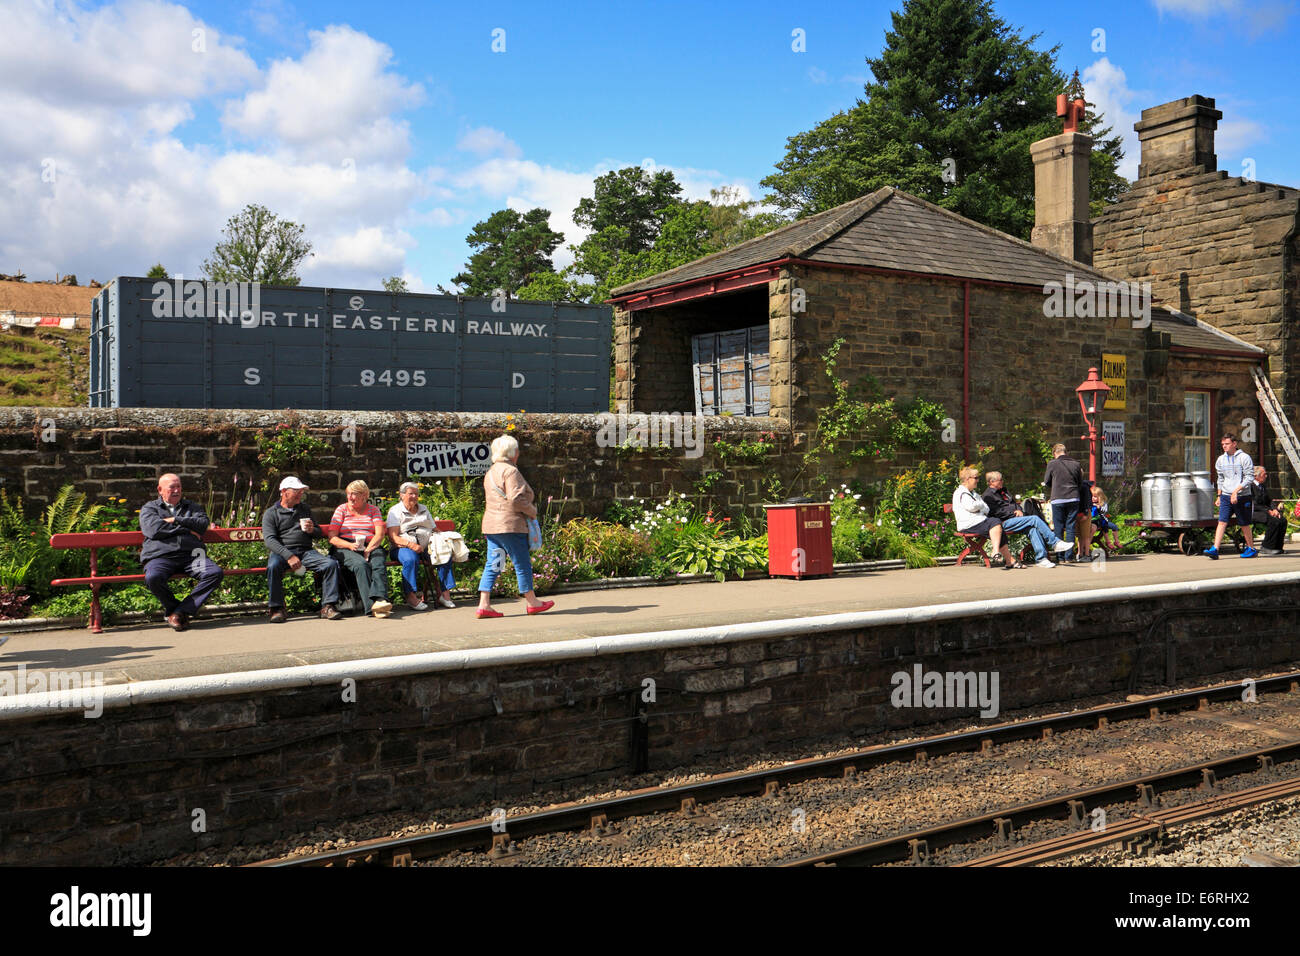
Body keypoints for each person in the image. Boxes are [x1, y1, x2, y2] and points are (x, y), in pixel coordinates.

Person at [477, 434, 554, 617]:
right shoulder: (511, 471)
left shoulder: (491, 472)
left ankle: (484, 604)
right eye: (517, 450)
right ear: (512, 453)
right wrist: (532, 511)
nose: (519, 453)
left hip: (492, 526)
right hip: (510, 525)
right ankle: (532, 602)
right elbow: (516, 499)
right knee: (522, 563)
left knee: (493, 564)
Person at [139, 473, 225, 631]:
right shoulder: (150, 508)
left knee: (214, 572)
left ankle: (179, 612)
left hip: (191, 556)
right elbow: (153, 530)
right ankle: (176, 609)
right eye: (172, 487)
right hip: (160, 556)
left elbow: (202, 524)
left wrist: (175, 520)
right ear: (160, 489)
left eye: (178, 486)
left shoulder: (191, 507)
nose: (177, 490)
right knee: (153, 577)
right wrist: (187, 529)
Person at [262, 476, 343, 623]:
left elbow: (318, 533)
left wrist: (312, 530)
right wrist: (288, 556)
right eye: (297, 491)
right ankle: (277, 608)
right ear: (284, 492)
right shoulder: (271, 513)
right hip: (282, 552)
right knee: (273, 566)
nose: (301, 494)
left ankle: (328, 606)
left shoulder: (305, 509)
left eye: (301, 491)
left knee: (330, 564)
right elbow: (270, 540)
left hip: (306, 552)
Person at [386, 481, 456, 610]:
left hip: (426, 546)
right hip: (402, 547)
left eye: (416, 494)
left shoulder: (423, 508)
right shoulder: (395, 511)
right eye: (410, 493)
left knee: (444, 555)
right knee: (410, 559)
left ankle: (445, 595)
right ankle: (411, 596)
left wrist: (446, 540)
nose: (414, 496)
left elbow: (434, 528)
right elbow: (393, 537)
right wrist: (411, 545)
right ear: (402, 495)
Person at [329, 480, 395, 617]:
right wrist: (349, 545)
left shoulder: (373, 510)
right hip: (345, 546)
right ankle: (371, 607)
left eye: (354, 494)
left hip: (369, 544)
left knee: (377, 560)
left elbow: (380, 534)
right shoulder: (342, 510)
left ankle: (380, 600)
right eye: (349, 494)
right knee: (361, 564)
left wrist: (368, 549)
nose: (350, 497)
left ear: (365, 495)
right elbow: (333, 537)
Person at [982, 471, 1074, 568]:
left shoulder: (1004, 491)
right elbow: (996, 512)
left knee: (1032, 528)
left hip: (1015, 519)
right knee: (1033, 519)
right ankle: (1055, 542)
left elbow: (1014, 503)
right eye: (1000, 480)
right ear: (991, 482)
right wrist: (1013, 513)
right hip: (1001, 523)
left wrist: (1019, 510)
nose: (1002, 482)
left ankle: (1041, 559)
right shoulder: (988, 496)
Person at [953, 466, 1018, 569]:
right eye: (975, 478)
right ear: (967, 479)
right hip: (968, 524)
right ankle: (997, 552)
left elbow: (986, 509)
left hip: (978, 521)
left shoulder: (974, 494)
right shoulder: (960, 493)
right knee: (995, 522)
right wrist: (979, 506)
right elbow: (971, 507)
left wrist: (979, 506)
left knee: (998, 527)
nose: (977, 480)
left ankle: (1009, 561)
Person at [1205, 433, 1256, 559]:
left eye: (1227, 444)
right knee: (1222, 522)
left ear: (1234, 444)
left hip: (1242, 496)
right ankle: (1215, 549)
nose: (1224, 446)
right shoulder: (1221, 460)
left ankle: (1251, 548)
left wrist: (1236, 491)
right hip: (1226, 496)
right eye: (1222, 444)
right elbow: (1220, 478)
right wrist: (1219, 495)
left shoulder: (1244, 458)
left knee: (1244, 523)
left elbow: (1250, 477)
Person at [1043, 443, 1084, 561]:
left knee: (1058, 527)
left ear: (1055, 453)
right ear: (1065, 452)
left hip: (1058, 498)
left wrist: (1055, 486)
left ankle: (1060, 557)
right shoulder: (1076, 464)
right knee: (1070, 527)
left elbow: (1047, 482)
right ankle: (1069, 556)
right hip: (1073, 497)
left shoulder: (1052, 464)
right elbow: (1080, 483)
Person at [1250, 466, 1288, 555]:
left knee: (1282, 520)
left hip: (1264, 511)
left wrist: (1274, 509)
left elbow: (1269, 500)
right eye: (1264, 474)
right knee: (1273, 521)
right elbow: (1254, 503)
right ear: (1256, 476)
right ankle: (1267, 547)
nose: (1266, 476)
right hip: (1253, 512)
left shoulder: (1262, 486)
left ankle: (1278, 547)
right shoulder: (1250, 486)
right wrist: (1268, 511)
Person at [1091, 486, 1122, 551]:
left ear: (1100, 497)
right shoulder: (1090, 504)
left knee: (1114, 527)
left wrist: (1099, 507)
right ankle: (1108, 542)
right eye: (1092, 496)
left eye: (1095, 496)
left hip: (1103, 520)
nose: (1093, 498)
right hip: (1095, 522)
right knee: (1104, 527)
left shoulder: (1103, 503)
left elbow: (1104, 511)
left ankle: (1116, 541)